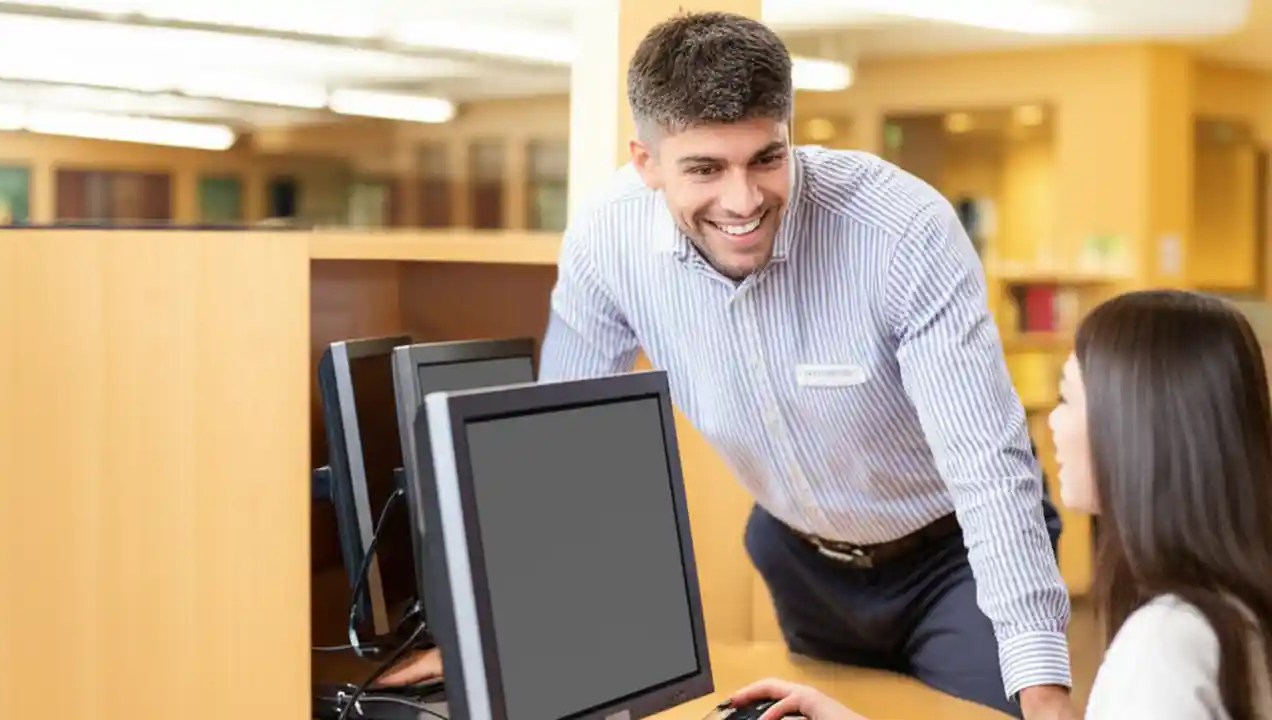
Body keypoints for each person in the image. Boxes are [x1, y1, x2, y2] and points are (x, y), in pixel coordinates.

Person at [383, 11, 1074, 718]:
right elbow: (564, 448)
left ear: (789, 133)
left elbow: (986, 465)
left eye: (766, 159)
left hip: (953, 558)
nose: (743, 201)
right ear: (646, 162)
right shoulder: (607, 240)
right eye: (706, 169)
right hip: (802, 562)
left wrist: (1043, 691)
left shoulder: (900, 231)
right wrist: (496, 639)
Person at [727, 289, 1272, 719]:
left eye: (1066, 400)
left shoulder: (1165, 646)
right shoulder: (1226, 617)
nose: (1050, 424)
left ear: (1139, 432)